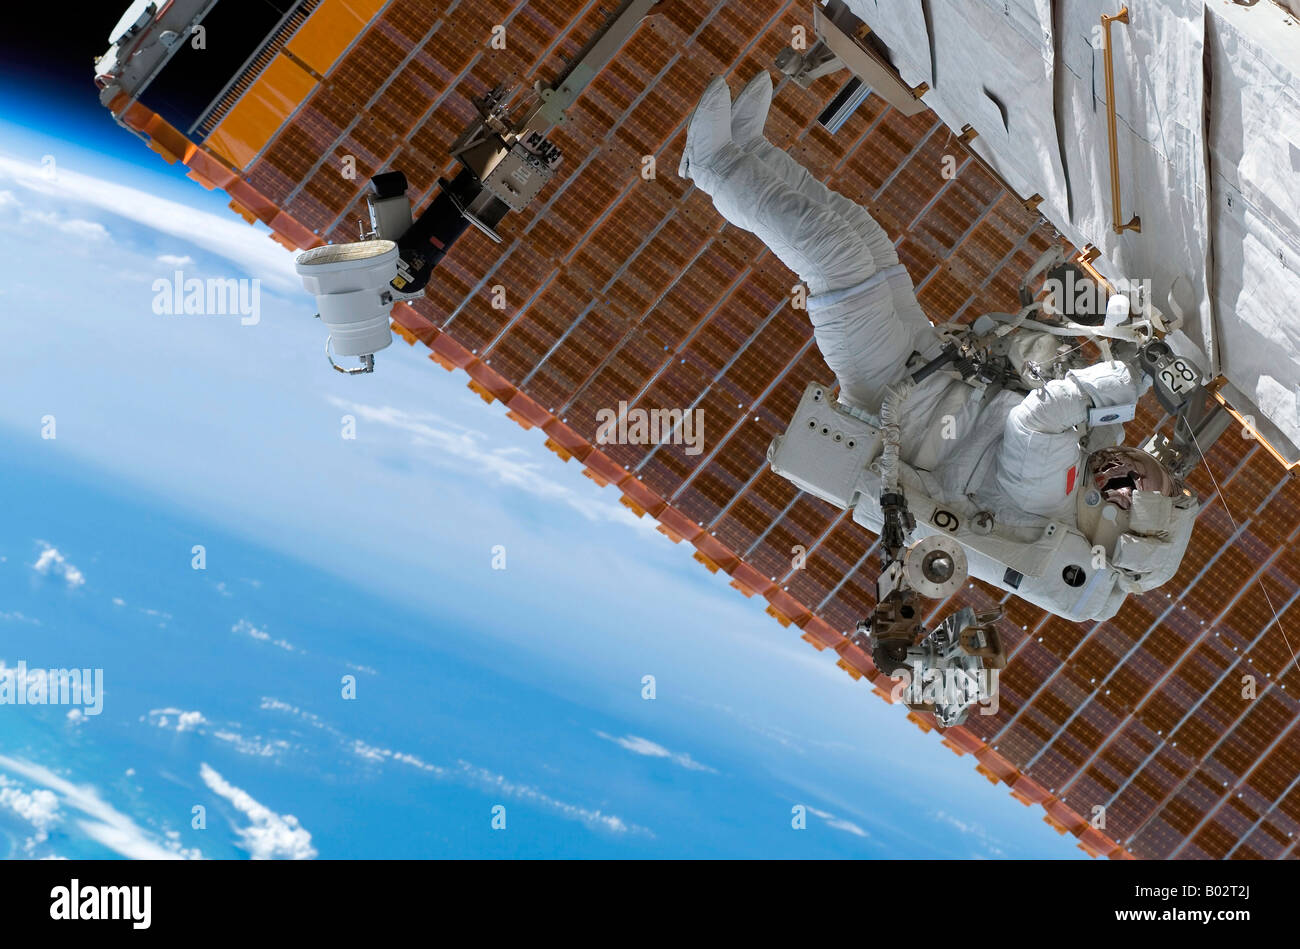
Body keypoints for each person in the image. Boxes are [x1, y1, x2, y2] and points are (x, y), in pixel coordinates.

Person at [679, 73, 1197, 599]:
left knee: (834, 254)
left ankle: (712, 166)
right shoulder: (1090, 453)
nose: (1123, 472)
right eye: (1145, 473)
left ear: (1110, 523)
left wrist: (1126, 382)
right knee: (863, 239)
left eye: (1124, 489)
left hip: (891, 390)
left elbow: (1038, 419)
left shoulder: (1047, 500)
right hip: (926, 366)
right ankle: (749, 152)